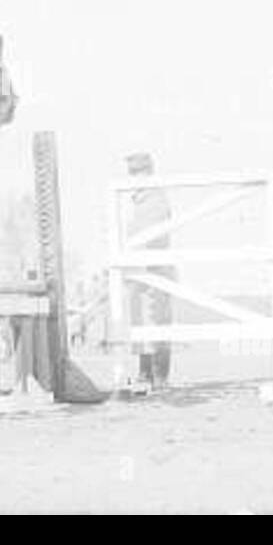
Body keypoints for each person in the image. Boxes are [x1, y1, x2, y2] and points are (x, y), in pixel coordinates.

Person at [124, 151, 173, 390]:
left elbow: (153, 237)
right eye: (132, 173)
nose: (133, 178)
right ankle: (146, 374)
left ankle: (159, 376)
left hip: (154, 269)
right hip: (139, 270)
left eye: (137, 173)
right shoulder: (137, 203)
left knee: (156, 320)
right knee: (141, 322)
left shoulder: (155, 200)